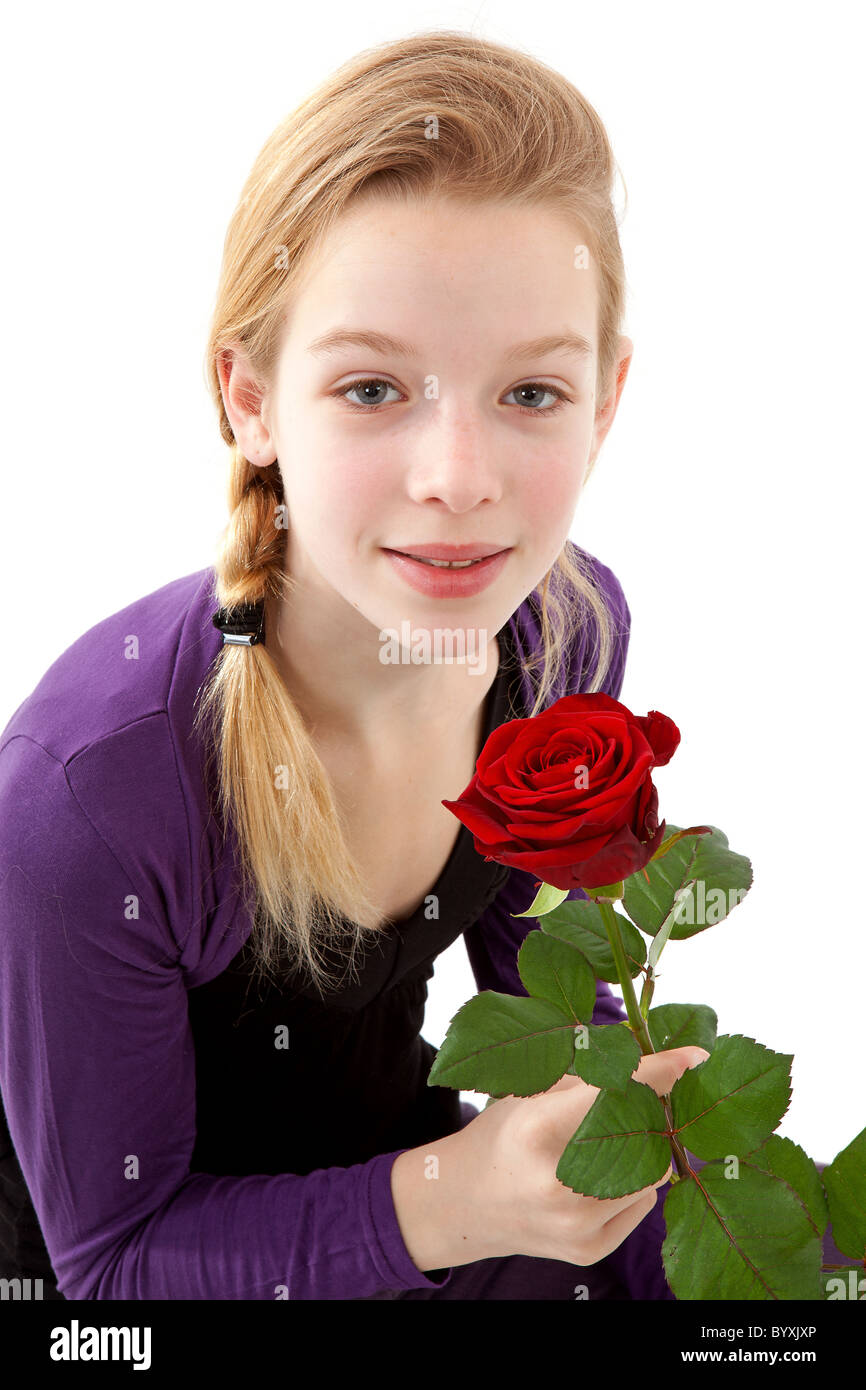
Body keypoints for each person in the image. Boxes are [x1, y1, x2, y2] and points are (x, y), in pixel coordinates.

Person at [0, 30, 842, 1303]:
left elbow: (549, 989)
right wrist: (455, 1204)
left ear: (607, 399)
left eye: (531, 394)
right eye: (375, 386)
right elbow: (109, 1267)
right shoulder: (86, 803)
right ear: (248, 399)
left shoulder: (565, 629)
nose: (458, 480)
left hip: (397, 1185)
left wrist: (616, 1126)